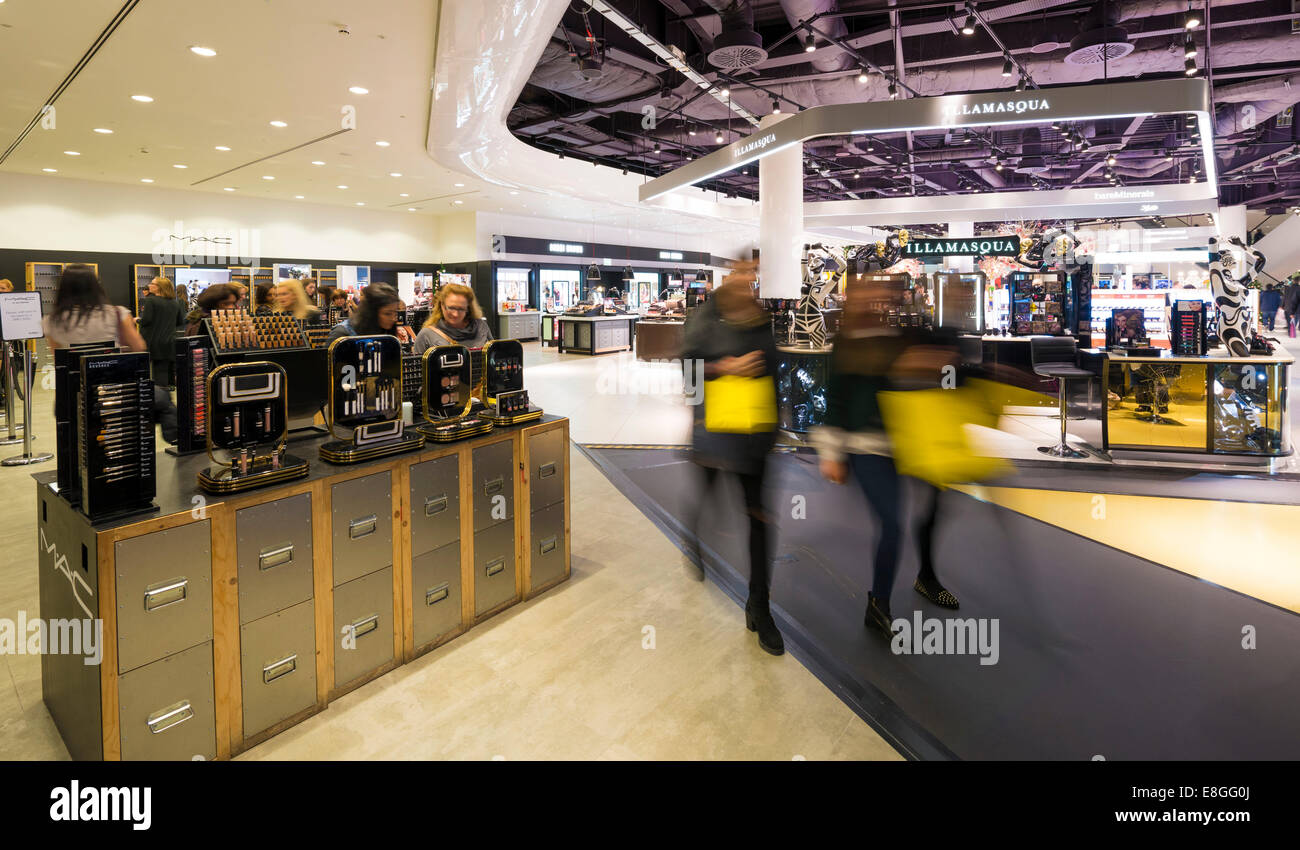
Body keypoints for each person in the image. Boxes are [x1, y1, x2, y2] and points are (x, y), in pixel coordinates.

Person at [811, 277, 962, 639]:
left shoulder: (900, 338)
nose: (877, 299)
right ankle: (878, 605)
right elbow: (837, 399)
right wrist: (831, 453)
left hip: (906, 441)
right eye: (868, 293)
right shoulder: (847, 344)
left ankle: (924, 577)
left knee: (931, 508)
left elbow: (934, 378)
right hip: (867, 446)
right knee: (893, 523)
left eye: (881, 294)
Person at [680, 261, 783, 656]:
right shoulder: (706, 320)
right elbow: (688, 377)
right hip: (715, 433)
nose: (747, 281)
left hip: (754, 438)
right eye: (741, 273)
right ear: (729, 279)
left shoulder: (761, 322)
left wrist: (774, 427)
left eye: (752, 274)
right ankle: (692, 534)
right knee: (708, 495)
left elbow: (772, 373)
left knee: (759, 520)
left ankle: (759, 606)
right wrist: (725, 368)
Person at [42, 264, 146, 351]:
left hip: (75, 375)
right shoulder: (118, 314)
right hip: (112, 373)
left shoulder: (51, 321)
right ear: (96, 286)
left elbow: (59, 360)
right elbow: (138, 346)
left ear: (63, 289)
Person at [415, 283, 492, 353]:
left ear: (468, 308)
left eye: (461, 309)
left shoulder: (481, 326)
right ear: (442, 305)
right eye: (451, 308)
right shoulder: (427, 335)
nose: (455, 314)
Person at [139, 276, 181, 386]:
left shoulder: (150, 301)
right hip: (168, 341)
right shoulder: (174, 303)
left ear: (159, 287)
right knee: (162, 372)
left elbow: (146, 320)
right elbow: (180, 321)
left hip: (152, 341)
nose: (149, 285)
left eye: (152, 283)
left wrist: (138, 320)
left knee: (145, 371)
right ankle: (164, 398)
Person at [326, 284, 402, 344]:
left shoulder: (385, 332)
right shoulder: (341, 334)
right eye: (387, 313)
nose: (394, 318)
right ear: (371, 312)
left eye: (395, 313)